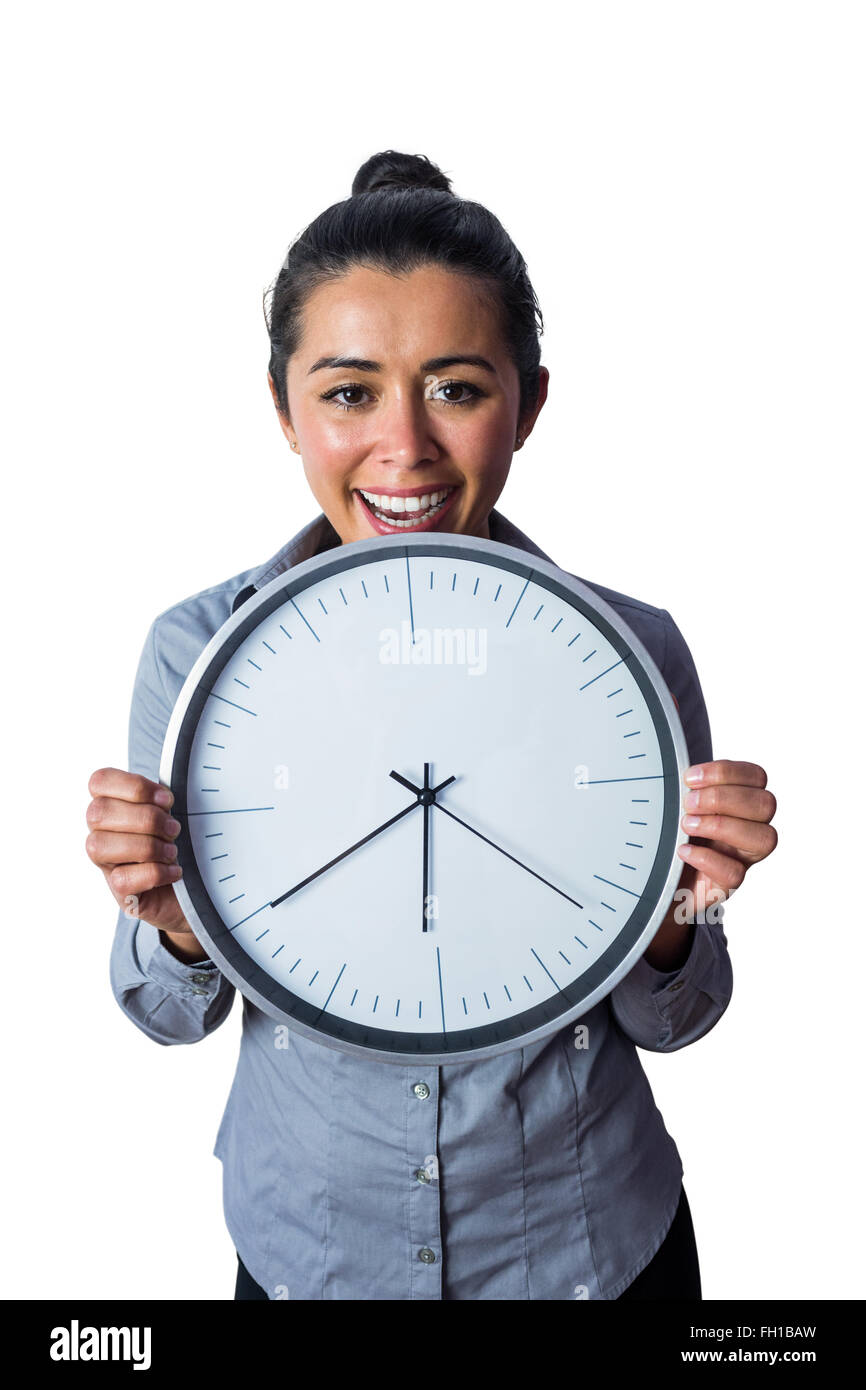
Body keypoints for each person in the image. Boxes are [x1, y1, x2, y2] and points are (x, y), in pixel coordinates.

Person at [86, 150, 778, 1301]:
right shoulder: (198, 655)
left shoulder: (634, 655)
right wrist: (179, 925)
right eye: (348, 392)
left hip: (584, 1251)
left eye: (456, 387)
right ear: (283, 409)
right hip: (314, 1251)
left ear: (529, 402)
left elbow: (678, 1015)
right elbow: (167, 1012)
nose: (403, 447)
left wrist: (673, 915)